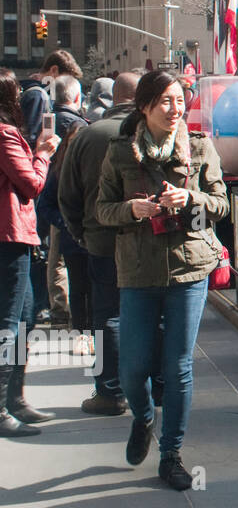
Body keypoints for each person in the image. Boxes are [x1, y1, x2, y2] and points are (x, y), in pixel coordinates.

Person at [96, 70, 229, 489]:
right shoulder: (120, 153)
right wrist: (130, 211)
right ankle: (143, 418)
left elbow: (221, 205)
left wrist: (192, 198)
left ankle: (171, 454)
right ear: (144, 106)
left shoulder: (199, 148)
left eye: (179, 100)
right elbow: (101, 210)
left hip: (188, 269)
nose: (175, 110)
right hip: (136, 272)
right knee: (133, 369)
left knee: (178, 366)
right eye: (165, 102)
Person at [60, 72, 138, 415]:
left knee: (107, 316)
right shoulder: (150, 133)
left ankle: (109, 391)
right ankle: (156, 389)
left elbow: (67, 195)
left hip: (101, 242)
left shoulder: (87, 135)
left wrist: (81, 233)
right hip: (146, 243)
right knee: (153, 315)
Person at [0, 69, 60, 437]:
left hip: (15, 236)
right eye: (17, 90)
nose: (23, 96)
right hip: (9, 238)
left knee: (23, 318)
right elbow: (32, 183)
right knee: (9, 324)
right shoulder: (5, 134)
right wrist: (43, 154)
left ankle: (14, 399)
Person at [44, 75, 87, 329]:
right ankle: (69, 314)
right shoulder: (80, 126)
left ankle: (60, 309)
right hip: (68, 206)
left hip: (54, 198)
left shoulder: (48, 120)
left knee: (56, 259)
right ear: (76, 97)